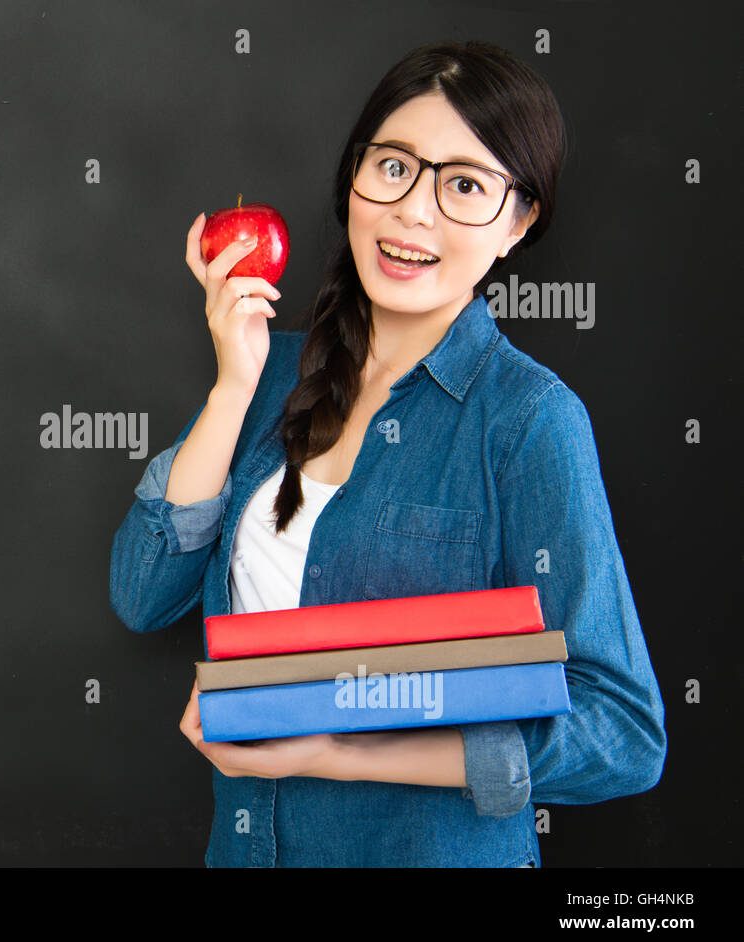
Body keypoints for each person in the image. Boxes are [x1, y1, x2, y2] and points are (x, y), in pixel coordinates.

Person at [108, 40, 666, 867]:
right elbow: (142, 593)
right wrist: (233, 384)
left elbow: (621, 731)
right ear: (354, 179)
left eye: (465, 185)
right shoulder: (267, 376)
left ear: (519, 223)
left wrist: (335, 748)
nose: (414, 211)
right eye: (393, 167)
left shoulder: (529, 420)